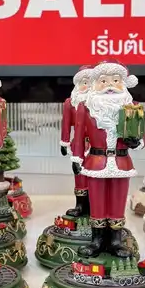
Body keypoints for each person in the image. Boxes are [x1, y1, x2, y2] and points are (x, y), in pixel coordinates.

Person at [71, 61, 144, 258]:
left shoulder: (133, 108)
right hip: (96, 162)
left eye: (115, 80)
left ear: (124, 83)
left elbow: (141, 138)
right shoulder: (85, 108)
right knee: (97, 201)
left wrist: (135, 142)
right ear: (95, 83)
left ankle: (115, 241)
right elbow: (79, 136)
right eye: (103, 81)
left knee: (118, 201)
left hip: (121, 162)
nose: (109, 85)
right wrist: (77, 158)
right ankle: (97, 240)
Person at [60, 65, 93, 217]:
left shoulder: (100, 104)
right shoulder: (70, 103)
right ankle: (80, 205)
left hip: (97, 145)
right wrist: (64, 142)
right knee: (79, 175)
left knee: (95, 175)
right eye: (84, 83)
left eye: (90, 83)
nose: (87, 86)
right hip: (79, 144)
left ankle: (95, 204)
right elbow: (66, 124)